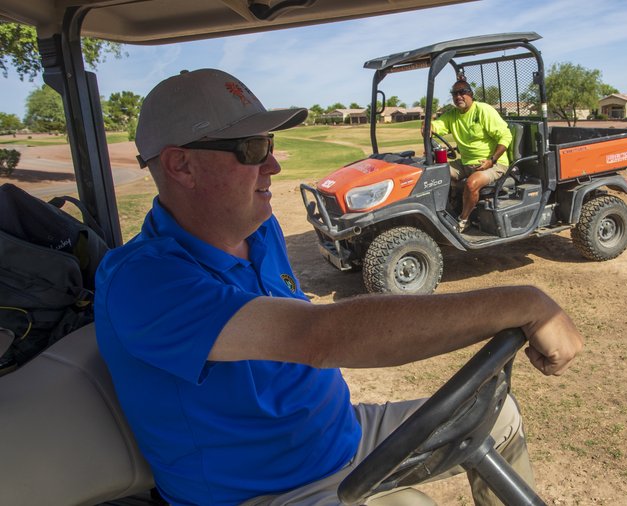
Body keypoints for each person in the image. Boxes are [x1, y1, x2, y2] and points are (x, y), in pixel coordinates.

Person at [94, 69, 583, 506]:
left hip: (344, 436)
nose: (274, 166)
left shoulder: (257, 232)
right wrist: (525, 303)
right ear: (181, 166)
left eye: (269, 145)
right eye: (252, 149)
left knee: (499, 419)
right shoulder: (144, 281)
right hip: (265, 490)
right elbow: (317, 337)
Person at [430, 78, 513, 232]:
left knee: (471, 183)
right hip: (466, 163)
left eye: (462, 92)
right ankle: (446, 209)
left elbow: (506, 136)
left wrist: (492, 160)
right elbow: (437, 126)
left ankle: (463, 220)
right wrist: (429, 126)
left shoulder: (483, 110)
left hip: (493, 163)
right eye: (455, 93)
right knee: (435, 172)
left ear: (471, 94)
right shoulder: (452, 115)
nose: (458, 96)